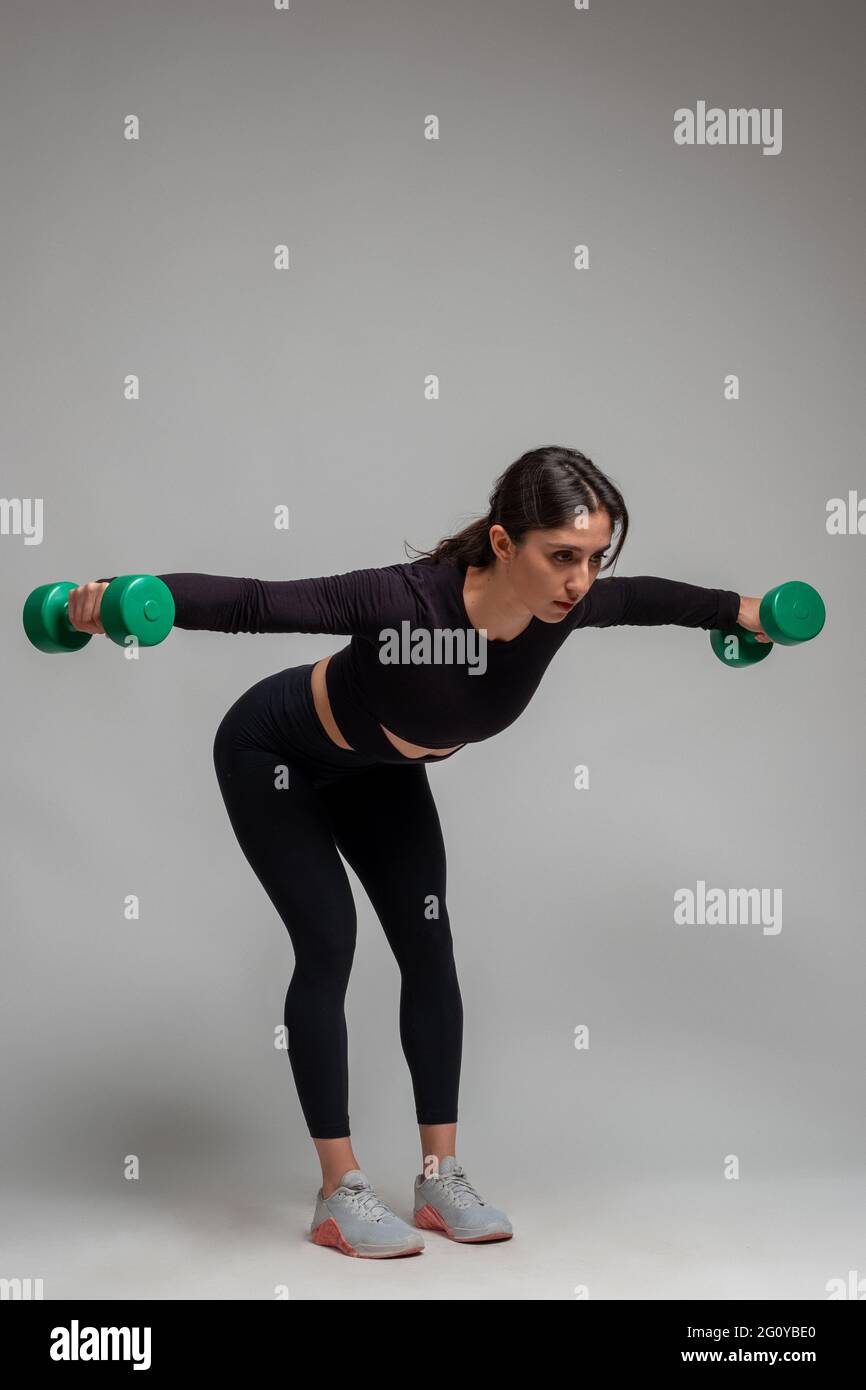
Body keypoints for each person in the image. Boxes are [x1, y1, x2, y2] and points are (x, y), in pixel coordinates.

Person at [71, 445, 769, 1259]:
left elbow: (647, 599)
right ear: (506, 544)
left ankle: (440, 1176)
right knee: (330, 944)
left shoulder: (563, 609)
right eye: (562, 557)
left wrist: (745, 609)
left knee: (429, 947)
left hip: (378, 770)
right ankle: (339, 1191)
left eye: (594, 558)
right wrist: (127, 599)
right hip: (276, 755)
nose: (580, 582)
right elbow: (256, 603)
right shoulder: (404, 601)